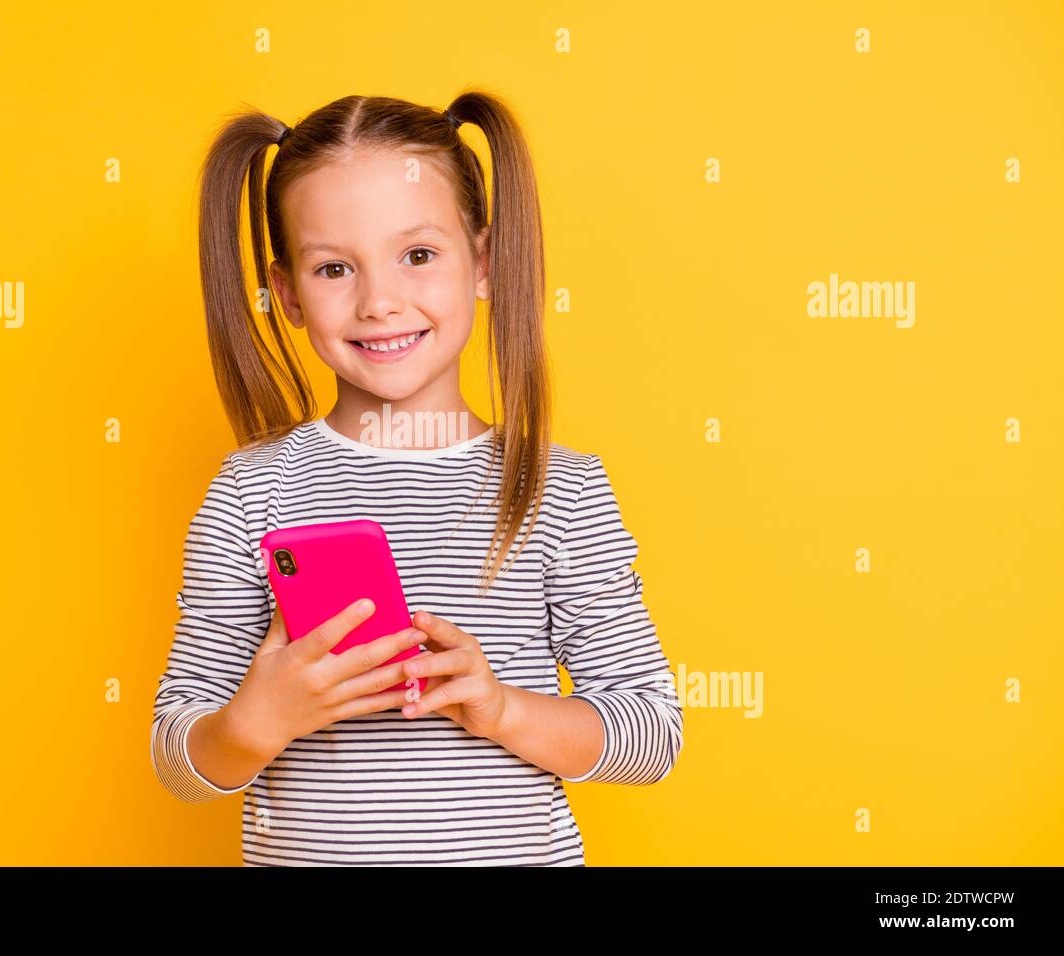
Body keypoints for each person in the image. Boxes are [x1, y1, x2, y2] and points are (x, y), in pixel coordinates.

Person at [151, 90, 684, 865]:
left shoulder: (558, 489)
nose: (380, 302)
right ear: (290, 293)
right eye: (335, 267)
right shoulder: (250, 491)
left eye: (419, 255)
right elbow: (179, 754)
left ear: (485, 262)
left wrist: (501, 708)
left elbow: (652, 733)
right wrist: (257, 723)